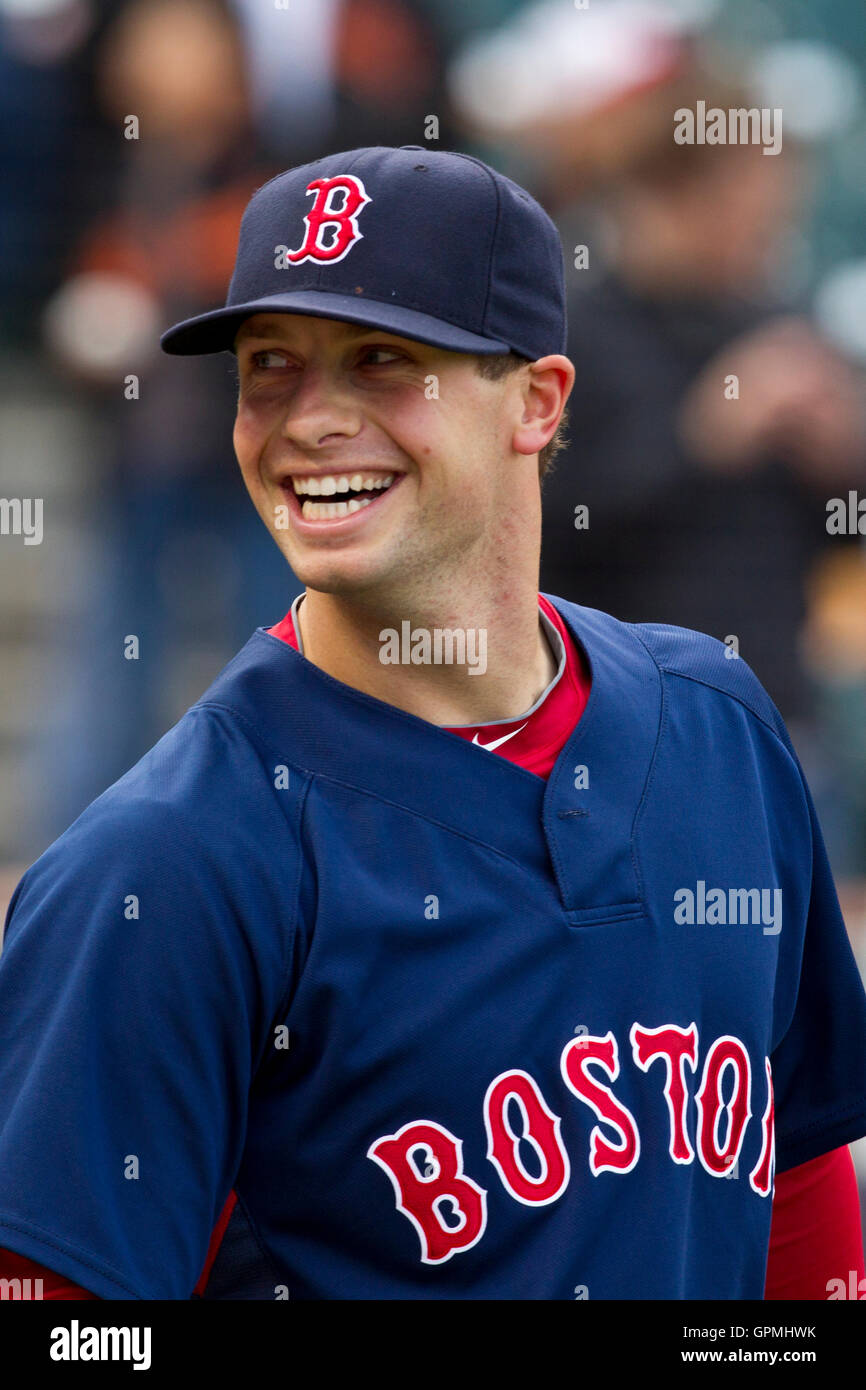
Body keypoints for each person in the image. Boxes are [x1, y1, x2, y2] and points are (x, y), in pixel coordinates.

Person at [0, 145, 864, 1300]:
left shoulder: (720, 725)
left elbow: (791, 1173)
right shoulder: (165, 862)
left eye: (379, 359)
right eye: (270, 367)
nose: (308, 421)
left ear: (538, 401)